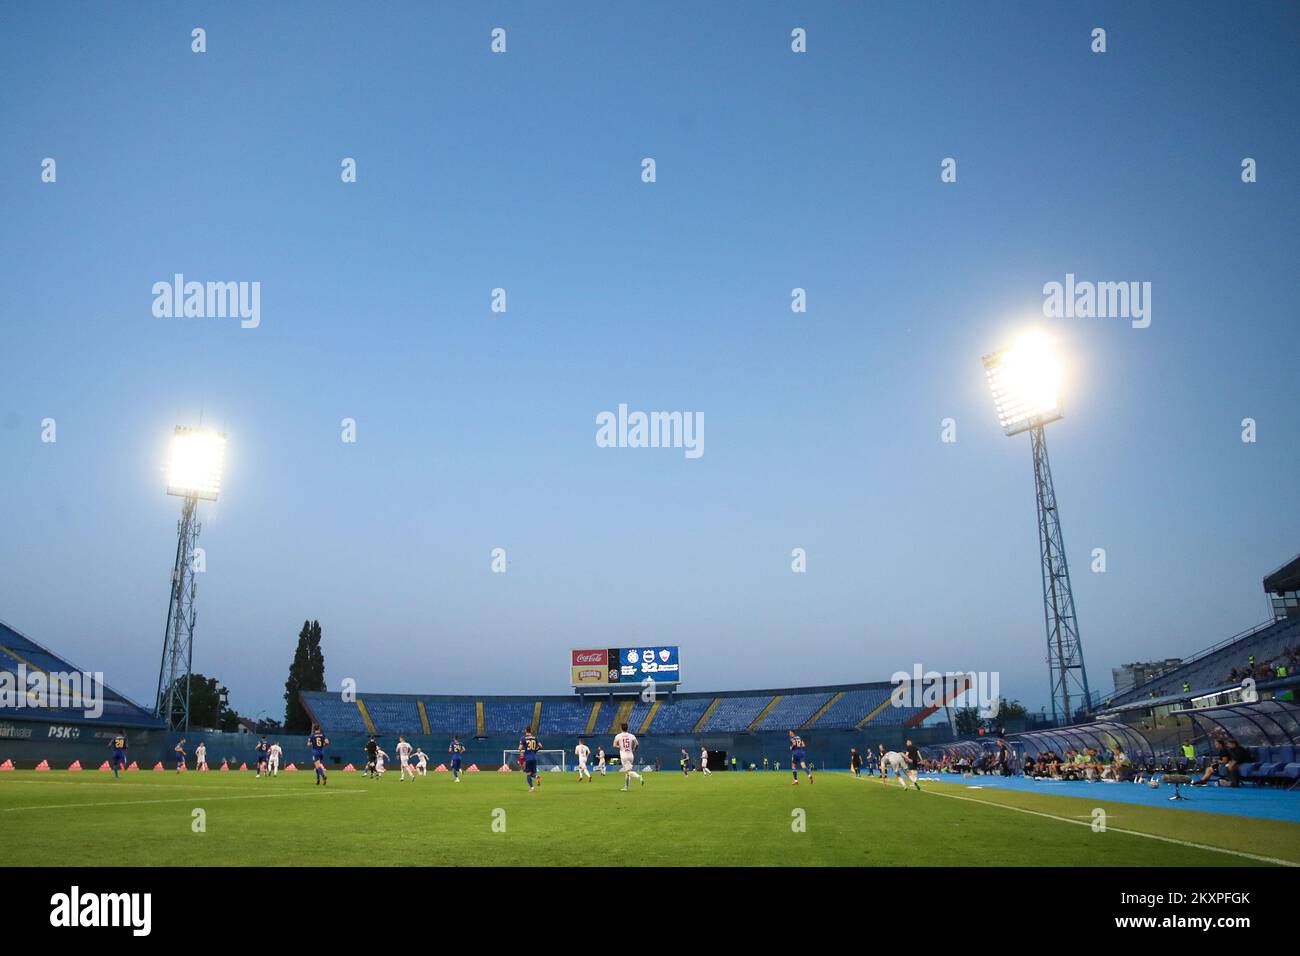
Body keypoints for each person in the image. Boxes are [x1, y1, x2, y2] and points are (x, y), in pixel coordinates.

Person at [613, 722, 644, 791]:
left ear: (621, 728)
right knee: (627, 772)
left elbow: (614, 745)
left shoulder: (618, 736)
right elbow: (637, 744)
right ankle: (626, 787)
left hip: (624, 755)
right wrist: (634, 749)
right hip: (631, 755)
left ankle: (639, 776)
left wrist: (620, 746)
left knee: (627, 772)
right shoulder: (631, 735)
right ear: (627, 728)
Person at [520, 726, 543, 792]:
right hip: (534, 758)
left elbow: (519, 748)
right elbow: (541, 746)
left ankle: (532, 788)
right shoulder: (535, 738)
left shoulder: (523, 738)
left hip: (528, 758)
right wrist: (535, 751)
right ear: (531, 731)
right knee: (533, 773)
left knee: (528, 774)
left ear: (525, 730)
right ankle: (536, 777)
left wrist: (523, 749)